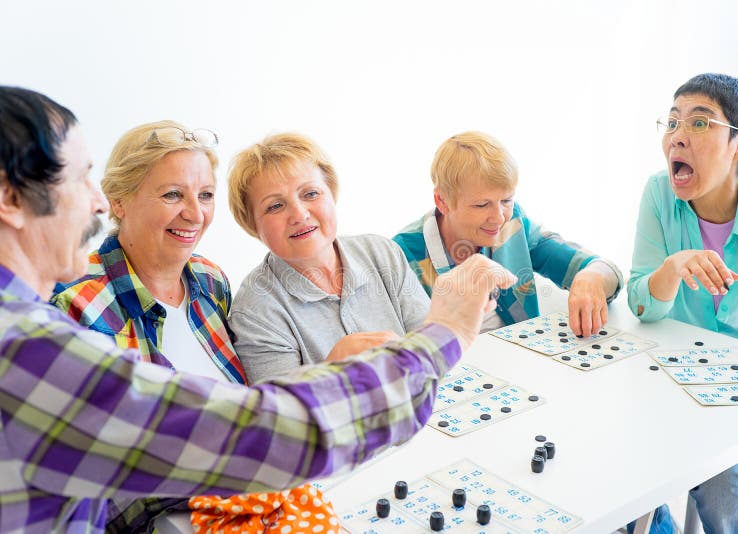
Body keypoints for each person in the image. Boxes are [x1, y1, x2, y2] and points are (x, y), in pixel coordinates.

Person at [0, 86, 515, 534]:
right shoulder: (36, 338)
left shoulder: (209, 281)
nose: (92, 201)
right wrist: (441, 334)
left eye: (203, 195)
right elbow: (257, 431)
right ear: (9, 197)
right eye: (80, 180)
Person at [50, 121, 337, 533]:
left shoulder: (209, 280)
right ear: (118, 201)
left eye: (204, 196)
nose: (195, 213)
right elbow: (92, 472)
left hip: (258, 495)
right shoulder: (77, 304)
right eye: (172, 195)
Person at [628, 73, 738, 533]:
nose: (677, 135)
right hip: (672, 375)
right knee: (612, 451)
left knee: (722, 475)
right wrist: (671, 269)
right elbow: (644, 306)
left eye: (700, 123)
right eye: (671, 121)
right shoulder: (658, 195)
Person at [227, 133, 430, 380]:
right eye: (275, 206)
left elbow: (431, 351)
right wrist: (331, 370)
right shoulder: (255, 311)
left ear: (331, 194)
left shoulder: (382, 253)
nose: (299, 215)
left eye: (311, 194)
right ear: (252, 225)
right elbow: (282, 414)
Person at [393, 131, 623, 336]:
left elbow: (606, 271)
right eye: (481, 205)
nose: (499, 217)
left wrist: (591, 276)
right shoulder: (399, 256)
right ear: (442, 201)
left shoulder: (514, 224)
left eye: (506, 200)